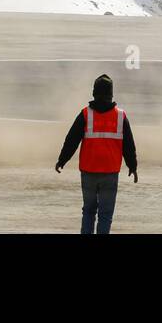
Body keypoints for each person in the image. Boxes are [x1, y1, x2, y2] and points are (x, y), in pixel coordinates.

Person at [55, 74, 138, 234]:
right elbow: (129, 145)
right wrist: (132, 166)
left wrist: (62, 160)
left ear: (94, 93)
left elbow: (71, 139)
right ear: (111, 94)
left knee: (88, 211)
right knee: (105, 214)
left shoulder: (85, 114)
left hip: (88, 171)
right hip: (110, 173)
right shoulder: (120, 116)